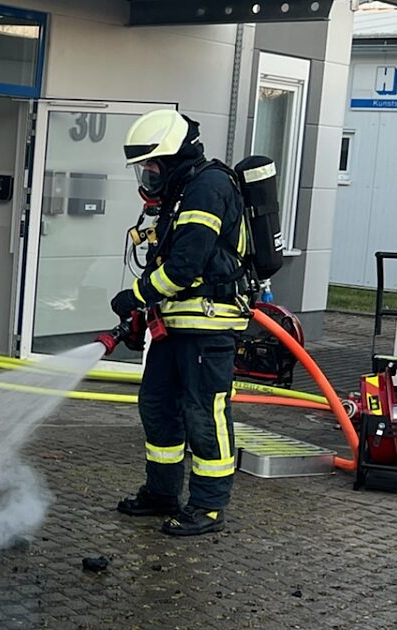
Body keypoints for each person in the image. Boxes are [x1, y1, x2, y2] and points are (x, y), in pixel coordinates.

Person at [110, 109, 249, 536]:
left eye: (152, 165)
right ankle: (162, 493)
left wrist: (133, 297)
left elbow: (185, 267)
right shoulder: (182, 189)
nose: (147, 174)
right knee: (157, 406)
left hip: (208, 324)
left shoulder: (208, 187)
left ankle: (208, 506)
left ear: (172, 158)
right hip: (174, 324)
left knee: (204, 413)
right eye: (143, 167)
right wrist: (143, 311)